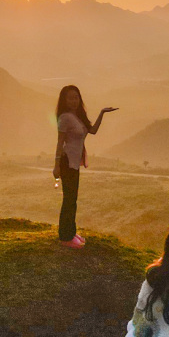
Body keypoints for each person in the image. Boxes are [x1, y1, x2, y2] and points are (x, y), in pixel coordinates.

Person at [52, 85, 117, 248]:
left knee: (73, 199)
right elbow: (60, 143)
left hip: (74, 163)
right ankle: (65, 237)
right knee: (69, 199)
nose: (74, 101)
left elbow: (93, 130)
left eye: (76, 97)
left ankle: (70, 232)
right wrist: (56, 166)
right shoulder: (65, 118)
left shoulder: (78, 116)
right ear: (64, 100)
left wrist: (102, 113)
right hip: (67, 162)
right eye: (70, 98)